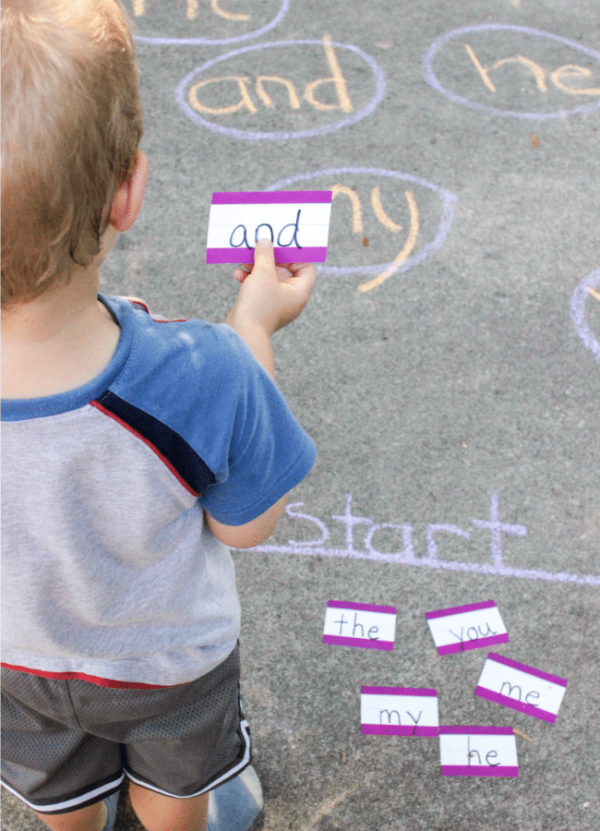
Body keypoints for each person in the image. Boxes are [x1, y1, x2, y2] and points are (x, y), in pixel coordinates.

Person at [0, 2, 317, 831]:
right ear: (129, 189)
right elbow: (248, 524)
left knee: (57, 793)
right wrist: (252, 327)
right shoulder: (203, 371)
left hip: (13, 659)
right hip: (168, 667)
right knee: (178, 791)